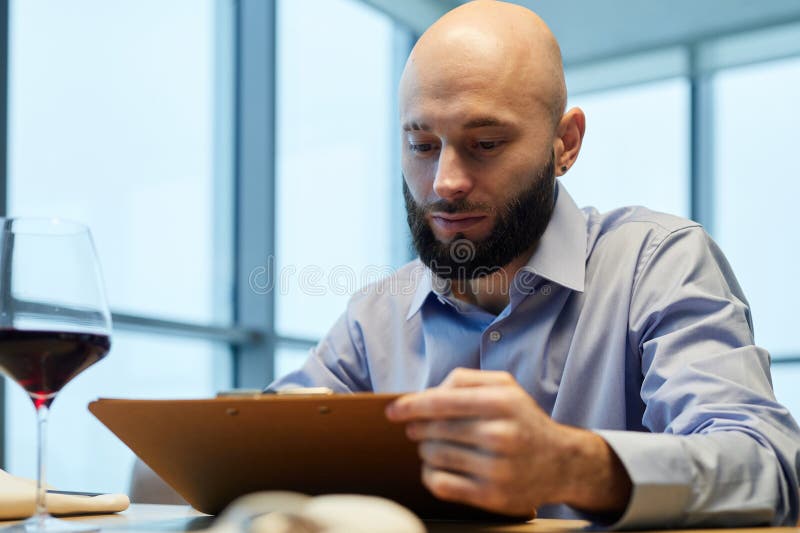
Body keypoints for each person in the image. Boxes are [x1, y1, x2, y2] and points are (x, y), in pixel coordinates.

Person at [269, 0, 800, 528]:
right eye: (422, 144)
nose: (444, 182)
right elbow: (263, 443)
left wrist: (572, 466)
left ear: (564, 144)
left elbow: (768, 466)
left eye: (486, 143)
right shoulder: (376, 315)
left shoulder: (657, 265)